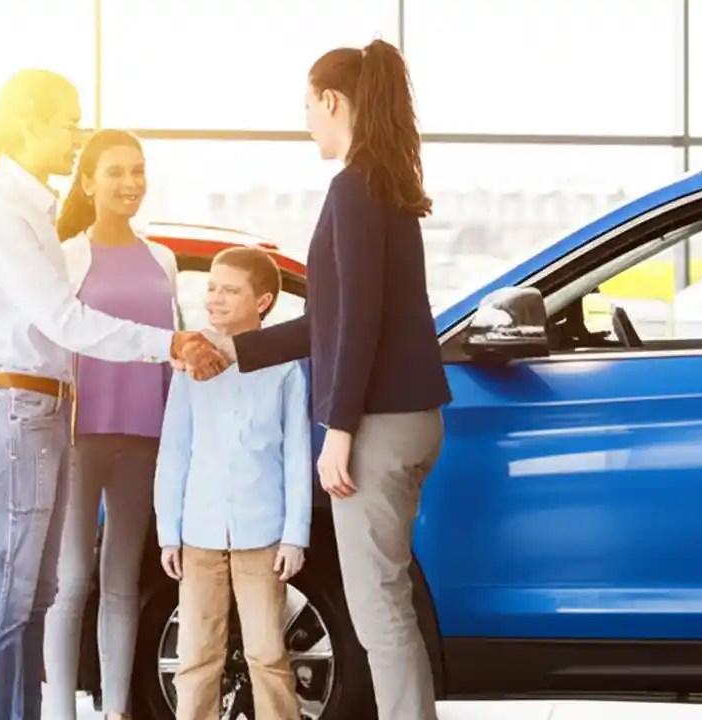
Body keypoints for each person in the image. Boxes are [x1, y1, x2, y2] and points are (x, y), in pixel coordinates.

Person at [0, 69, 225, 720]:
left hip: (43, 411)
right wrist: (169, 343)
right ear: (29, 124)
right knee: (6, 599)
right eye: (69, 122)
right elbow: (63, 320)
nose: (77, 135)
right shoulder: (2, 213)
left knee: (34, 597)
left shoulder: (32, 212)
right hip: (14, 412)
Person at [193, 39, 452, 720]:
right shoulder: (386, 185)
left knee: (379, 612)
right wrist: (233, 346)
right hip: (411, 418)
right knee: (388, 603)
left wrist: (338, 430)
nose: (306, 120)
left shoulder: (355, 186)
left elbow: (357, 319)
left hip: (377, 426)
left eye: (307, 105)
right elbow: (331, 322)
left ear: (332, 100)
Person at [39, 129, 178, 720]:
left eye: (138, 171)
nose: (130, 184)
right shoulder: (65, 256)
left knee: (121, 581)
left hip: (145, 436)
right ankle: (60, 711)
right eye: (116, 172)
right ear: (89, 182)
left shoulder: (163, 258)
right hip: (79, 437)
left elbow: (171, 352)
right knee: (72, 582)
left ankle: (117, 710)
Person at [155, 247, 312, 720]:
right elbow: (175, 449)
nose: (215, 299)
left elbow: (297, 456)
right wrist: (169, 530)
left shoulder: (284, 367)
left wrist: (295, 535)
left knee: (268, 654)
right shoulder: (191, 360)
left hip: (262, 536)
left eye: (229, 290)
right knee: (197, 656)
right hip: (199, 534)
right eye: (211, 288)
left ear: (262, 301)